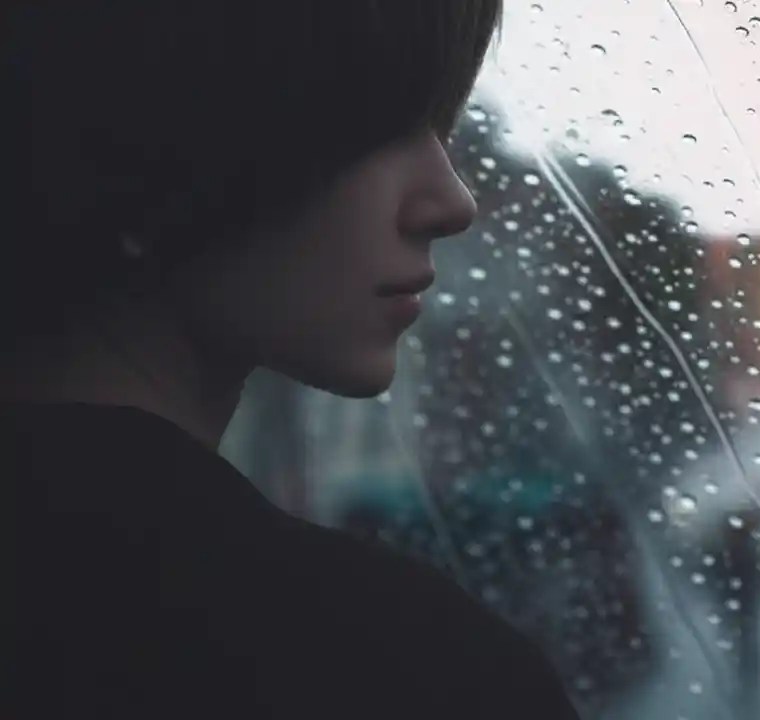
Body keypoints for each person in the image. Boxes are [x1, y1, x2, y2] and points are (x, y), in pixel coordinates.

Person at [1, 2, 581, 718]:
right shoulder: (413, 677)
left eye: (440, 121)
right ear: (140, 135)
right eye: (374, 123)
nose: (452, 202)